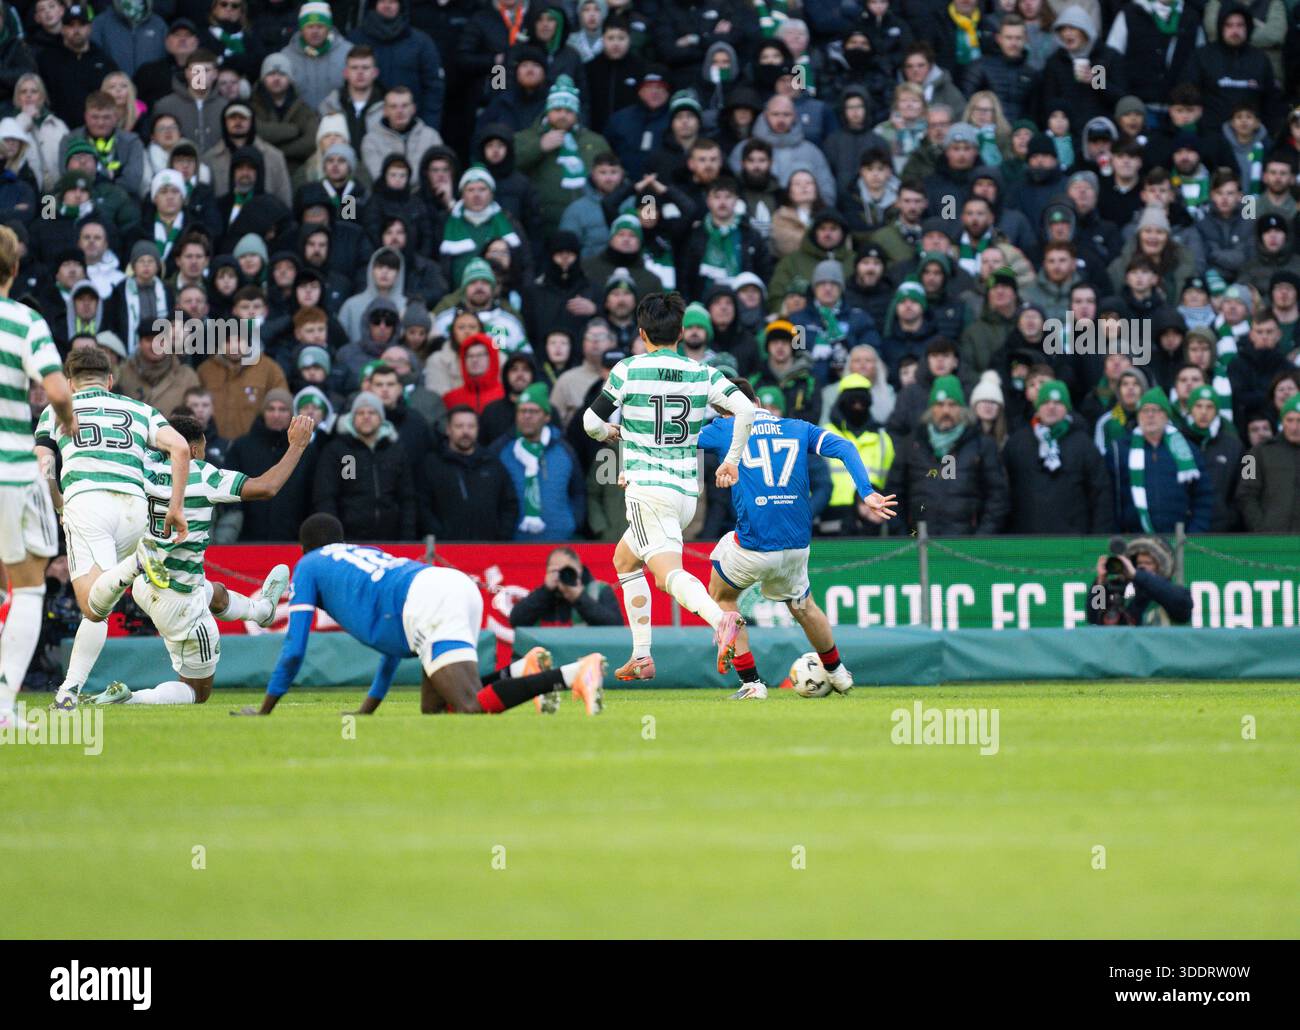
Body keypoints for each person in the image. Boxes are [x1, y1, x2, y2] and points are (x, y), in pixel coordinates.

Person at [236, 513, 607, 716]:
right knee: (435, 710)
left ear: (305, 548)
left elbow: (295, 647)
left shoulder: (309, 565)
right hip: (448, 586)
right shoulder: (360, 555)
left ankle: (573, 673)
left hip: (427, 603)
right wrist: (366, 712)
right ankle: (520, 671)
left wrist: (265, 710)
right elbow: (390, 643)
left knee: (468, 706)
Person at [582, 291, 757, 681]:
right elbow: (746, 409)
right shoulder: (703, 373)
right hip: (684, 495)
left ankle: (720, 621)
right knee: (624, 561)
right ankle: (642, 655)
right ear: (681, 332)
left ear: (642, 333)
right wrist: (731, 460)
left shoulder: (627, 370)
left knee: (665, 575)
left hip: (646, 490)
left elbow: (590, 424)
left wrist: (612, 432)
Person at [90, 413, 316, 706]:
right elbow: (266, 487)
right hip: (180, 602)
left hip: (144, 584)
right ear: (194, 450)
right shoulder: (202, 475)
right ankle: (130, 699)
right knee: (197, 692)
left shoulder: (138, 471)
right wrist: (297, 446)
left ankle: (262, 611)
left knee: (213, 592)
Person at [699, 378, 897, 699]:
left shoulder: (726, 428)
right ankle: (837, 673)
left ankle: (751, 683)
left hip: (753, 545)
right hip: (796, 546)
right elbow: (845, 447)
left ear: (726, 410)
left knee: (722, 596)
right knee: (803, 607)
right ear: (759, 401)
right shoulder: (797, 427)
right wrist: (867, 491)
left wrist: (622, 433)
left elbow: (672, 439)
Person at [33, 347, 192, 712]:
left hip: (87, 502)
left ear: (69, 383)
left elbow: (44, 469)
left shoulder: (57, 410)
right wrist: (176, 508)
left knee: (91, 603)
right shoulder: (139, 409)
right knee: (100, 605)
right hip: (135, 509)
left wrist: (58, 503)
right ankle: (69, 691)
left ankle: (135, 566)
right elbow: (181, 448)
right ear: (109, 379)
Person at [0, 226, 77, 728]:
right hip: (8, 470)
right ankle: (3, 708)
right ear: (14, 268)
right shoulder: (23, 321)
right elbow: (56, 387)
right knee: (27, 587)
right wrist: (68, 422)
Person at [1086, 535, 1194, 626]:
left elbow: (1182, 606)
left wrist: (1137, 575)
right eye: (1139, 563)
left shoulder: (1173, 593)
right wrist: (1100, 583)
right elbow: (1095, 617)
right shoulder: (1127, 595)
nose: (1142, 567)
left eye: (1148, 563)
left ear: (1161, 566)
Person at [510, 546, 624, 628]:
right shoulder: (541, 596)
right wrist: (545, 591)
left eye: (568, 570)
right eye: (555, 570)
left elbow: (616, 627)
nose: (562, 575)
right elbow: (516, 620)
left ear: (579, 569)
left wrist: (579, 597)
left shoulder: (600, 590)